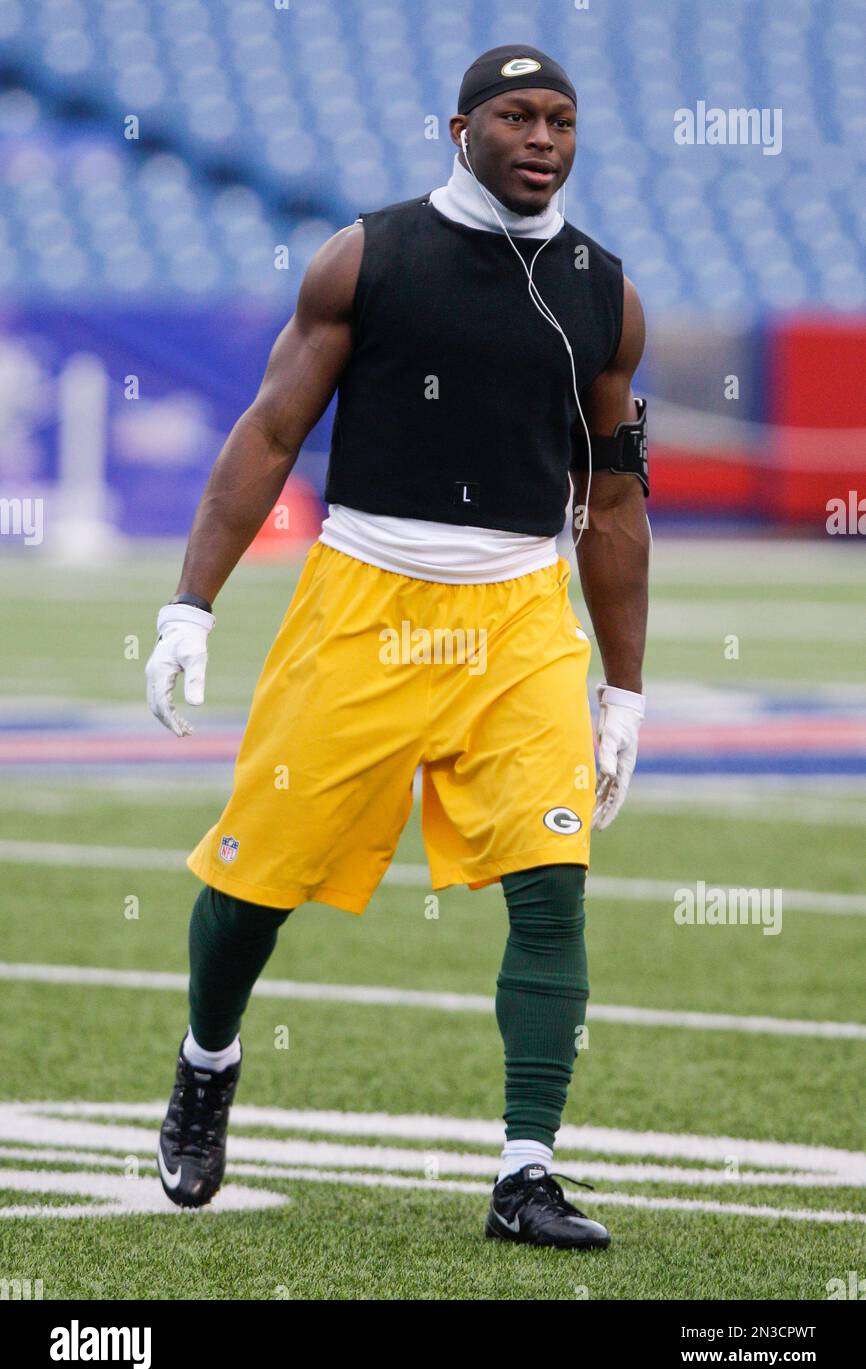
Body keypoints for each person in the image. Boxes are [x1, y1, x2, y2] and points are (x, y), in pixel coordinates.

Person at [146, 44, 649, 1250]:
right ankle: (207, 1061)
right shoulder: (369, 255)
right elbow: (269, 432)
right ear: (458, 128)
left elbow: (615, 501)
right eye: (516, 116)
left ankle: (523, 1173)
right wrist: (189, 604)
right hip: (364, 604)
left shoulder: (602, 289)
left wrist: (623, 690)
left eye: (562, 120)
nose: (541, 138)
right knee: (251, 882)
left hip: (524, 619)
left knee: (551, 887)